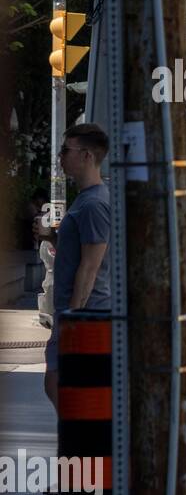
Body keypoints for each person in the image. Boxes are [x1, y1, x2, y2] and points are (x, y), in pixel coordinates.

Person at [35, 124, 112, 408]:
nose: (60, 156)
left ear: (87, 156)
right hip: (75, 310)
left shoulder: (94, 205)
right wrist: (52, 237)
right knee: (58, 384)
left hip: (87, 312)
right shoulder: (86, 200)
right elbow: (80, 255)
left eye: (66, 150)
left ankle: (89, 444)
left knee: (63, 386)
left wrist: (75, 319)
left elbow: (91, 267)